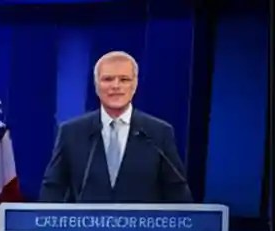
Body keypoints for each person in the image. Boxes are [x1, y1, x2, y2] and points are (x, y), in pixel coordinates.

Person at [39, 51, 193, 204]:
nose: (116, 86)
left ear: (135, 84)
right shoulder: (71, 132)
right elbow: (53, 189)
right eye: (108, 79)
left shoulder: (158, 132)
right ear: (96, 84)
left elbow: (177, 191)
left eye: (124, 79)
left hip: (141, 227)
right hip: (86, 226)